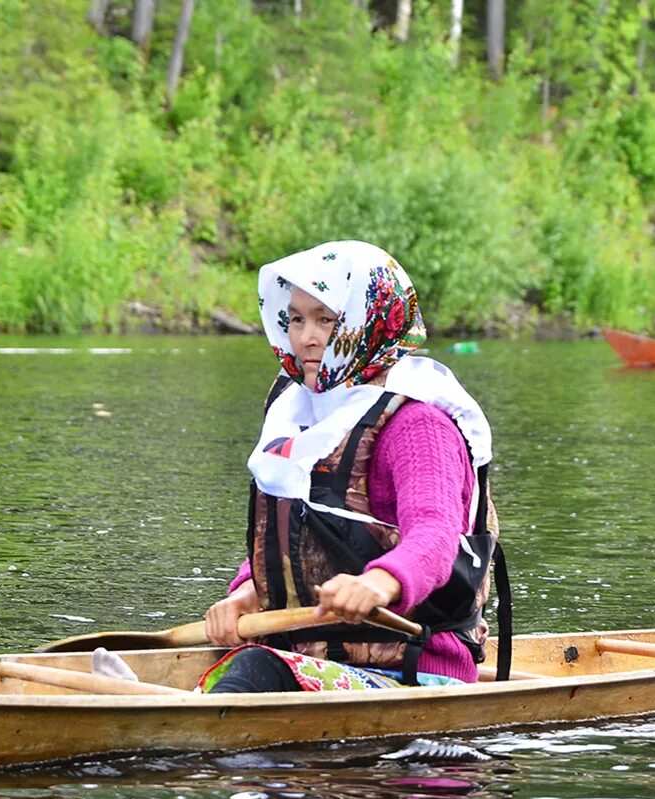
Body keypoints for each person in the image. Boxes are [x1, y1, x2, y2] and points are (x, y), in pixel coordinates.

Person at [198, 240, 508, 695]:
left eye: (326, 320)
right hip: (308, 659)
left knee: (256, 673)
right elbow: (303, 528)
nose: (306, 337)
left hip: (416, 672)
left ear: (369, 323)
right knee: (252, 664)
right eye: (297, 318)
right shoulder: (300, 412)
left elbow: (436, 537)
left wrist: (380, 584)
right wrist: (249, 593)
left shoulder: (420, 424)